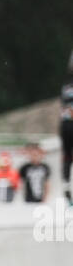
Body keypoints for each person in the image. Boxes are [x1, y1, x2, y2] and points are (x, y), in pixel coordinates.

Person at [59, 58, 73, 204]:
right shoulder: (67, 86)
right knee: (67, 156)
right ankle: (67, 187)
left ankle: (66, 186)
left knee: (67, 156)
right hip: (68, 124)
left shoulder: (66, 86)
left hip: (65, 124)